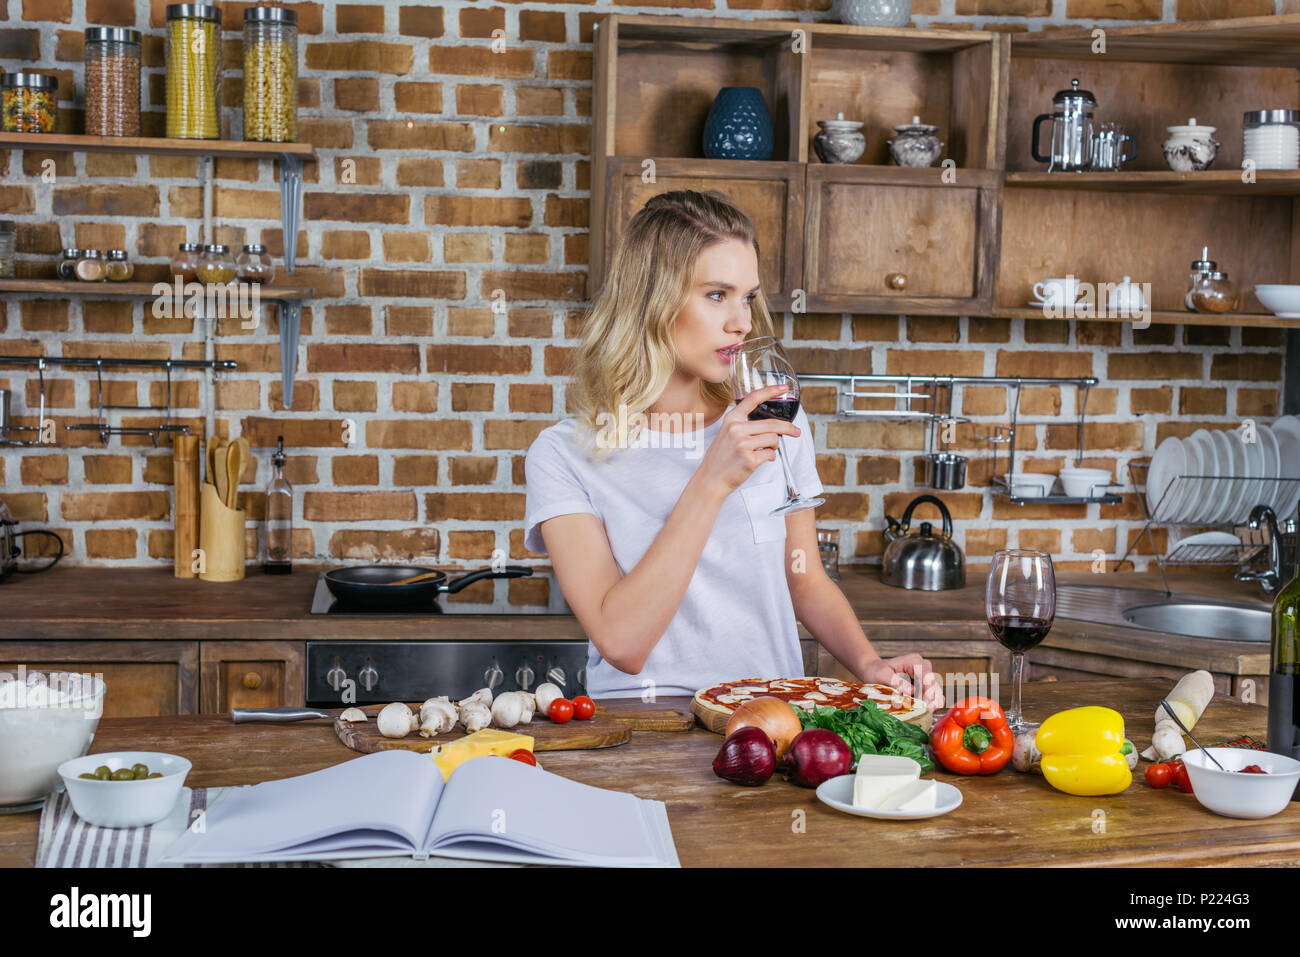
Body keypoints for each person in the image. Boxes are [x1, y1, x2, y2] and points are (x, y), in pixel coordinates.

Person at [523, 189, 944, 710]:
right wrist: (711, 481)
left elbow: (804, 577)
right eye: (716, 294)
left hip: (773, 715)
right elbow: (623, 643)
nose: (742, 322)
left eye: (747, 296)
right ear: (651, 300)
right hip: (647, 724)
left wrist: (870, 665)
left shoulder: (770, 417)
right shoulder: (563, 454)